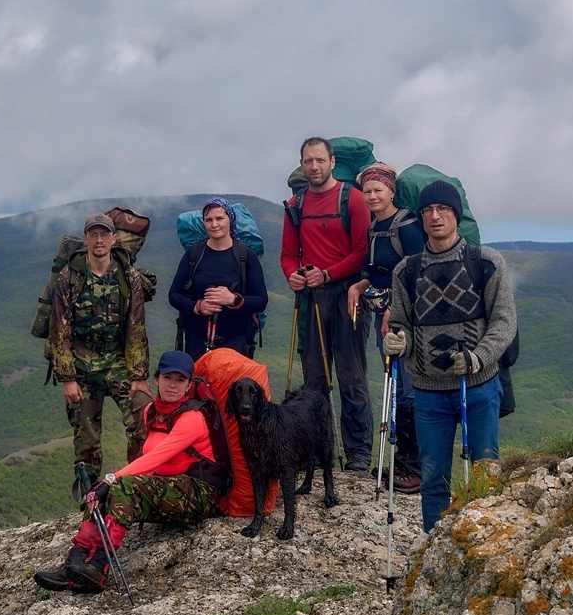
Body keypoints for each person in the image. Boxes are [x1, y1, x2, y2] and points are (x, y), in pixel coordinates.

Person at [33, 351, 230, 593]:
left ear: (189, 385)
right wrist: (108, 487)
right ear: (157, 379)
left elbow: (156, 457)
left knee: (120, 485)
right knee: (104, 492)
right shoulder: (151, 412)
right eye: (168, 378)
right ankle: (74, 565)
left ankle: (97, 567)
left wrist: (111, 479)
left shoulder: (192, 418)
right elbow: (149, 464)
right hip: (170, 491)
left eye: (180, 380)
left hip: (200, 494)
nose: (173, 385)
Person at [383, 180, 517, 532]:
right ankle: (434, 550)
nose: (434, 216)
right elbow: (401, 325)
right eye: (427, 211)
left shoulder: (486, 263)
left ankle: (486, 546)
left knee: (485, 473)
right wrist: (398, 342)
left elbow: (504, 322)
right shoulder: (406, 271)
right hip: (428, 392)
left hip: (478, 385)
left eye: (442, 209)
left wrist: (477, 358)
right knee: (433, 480)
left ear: (456, 214)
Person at [280, 137, 374, 473]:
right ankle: (318, 453)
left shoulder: (355, 200)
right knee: (315, 380)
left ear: (332, 162)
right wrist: (293, 275)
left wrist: (328, 273)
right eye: (309, 161)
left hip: (347, 294)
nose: (315, 167)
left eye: (320, 160)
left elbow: (362, 252)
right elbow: (289, 254)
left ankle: (358, 454)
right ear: (302, 164)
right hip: (312, 297)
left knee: (351, 375)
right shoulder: (295, 204)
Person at [48, 212, 153, 487]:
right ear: (85, 239)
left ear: (113, 238)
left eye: (104, 234)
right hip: (82, 364)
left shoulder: (127, 275)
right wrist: (68, 378)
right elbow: (59, 330)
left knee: (143, 415)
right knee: (86, 436)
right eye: (93, 235)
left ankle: (136, 486)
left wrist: (139, 376)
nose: (98, 240)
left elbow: (136, 326)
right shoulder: (70, 276)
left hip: (118, 359)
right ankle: (90, 496)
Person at [344, 164, 427, 494]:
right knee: (395, 383)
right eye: (367, 191)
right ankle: (404, 462)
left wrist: (395, 310)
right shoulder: (375, 226)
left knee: (407, 388)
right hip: (384, 314)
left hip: (405, 319)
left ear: (392, 192)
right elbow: (374, 270)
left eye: (379, 190)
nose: (373, 195)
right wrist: (357, 286)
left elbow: (418, 272)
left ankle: (415, 467)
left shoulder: (406, 226)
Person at [168, 197, 268, 361]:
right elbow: (174, 295)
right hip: (197, 341)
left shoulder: (245, 256)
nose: (214, 224)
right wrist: (197, 306)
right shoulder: (194, 254)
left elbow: (261, 300)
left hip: (237, 342)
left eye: (219, 218)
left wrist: (233, 299)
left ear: (230, 219)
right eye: (208, 220)